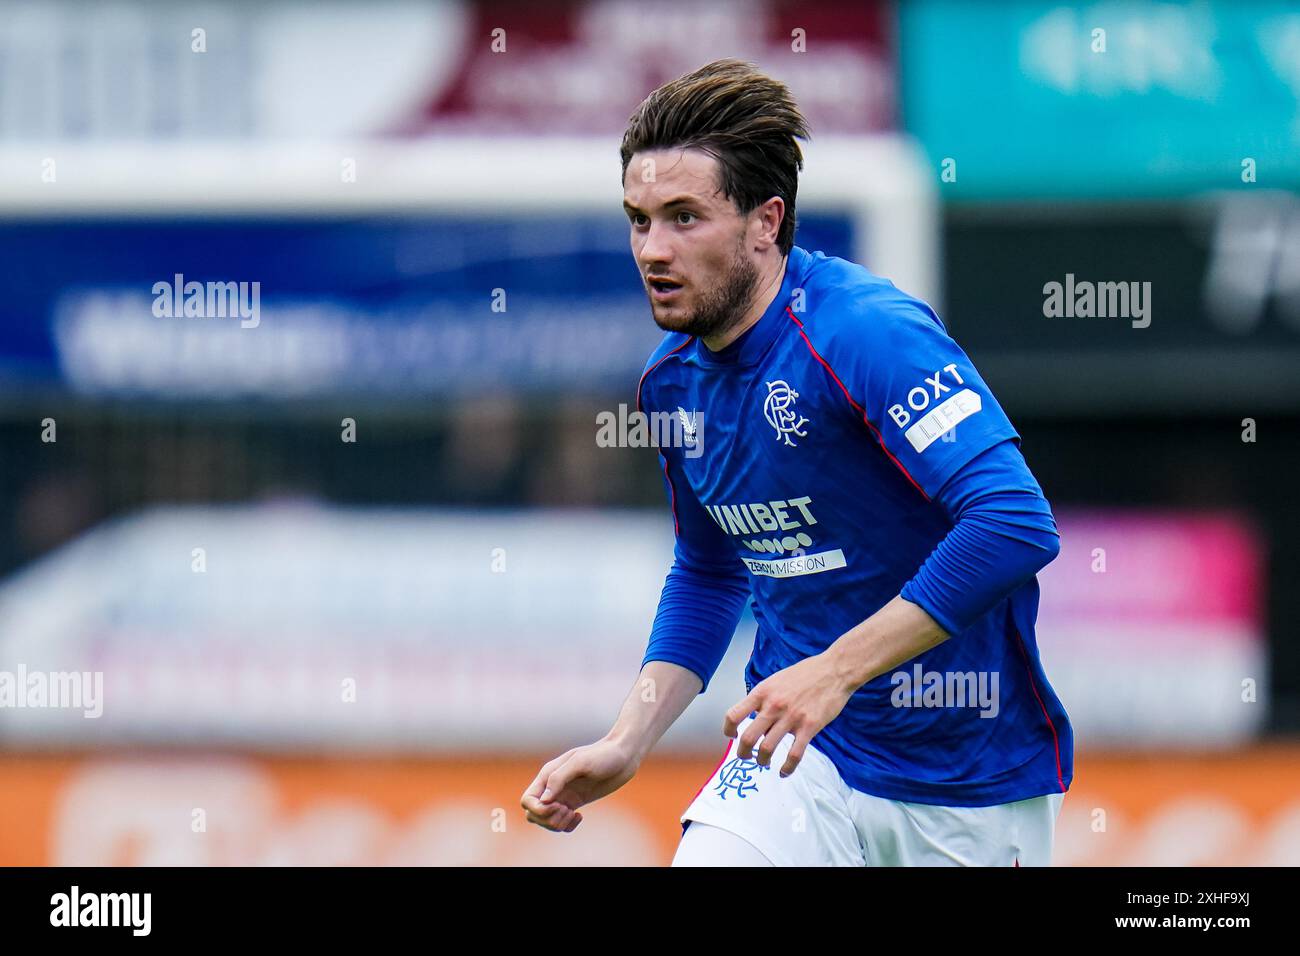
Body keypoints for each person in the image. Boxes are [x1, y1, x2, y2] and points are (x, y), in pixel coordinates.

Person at [521, 58, 1071, 866]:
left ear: (765, 221)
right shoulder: (672, 386)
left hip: (964, 776)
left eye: (683, 217)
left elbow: (1013, 524)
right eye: (638, 219)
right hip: (794, 762)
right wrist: (627, 739)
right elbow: (710, 570)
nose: (653, 249)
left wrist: (835, 672)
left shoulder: (865, 332)